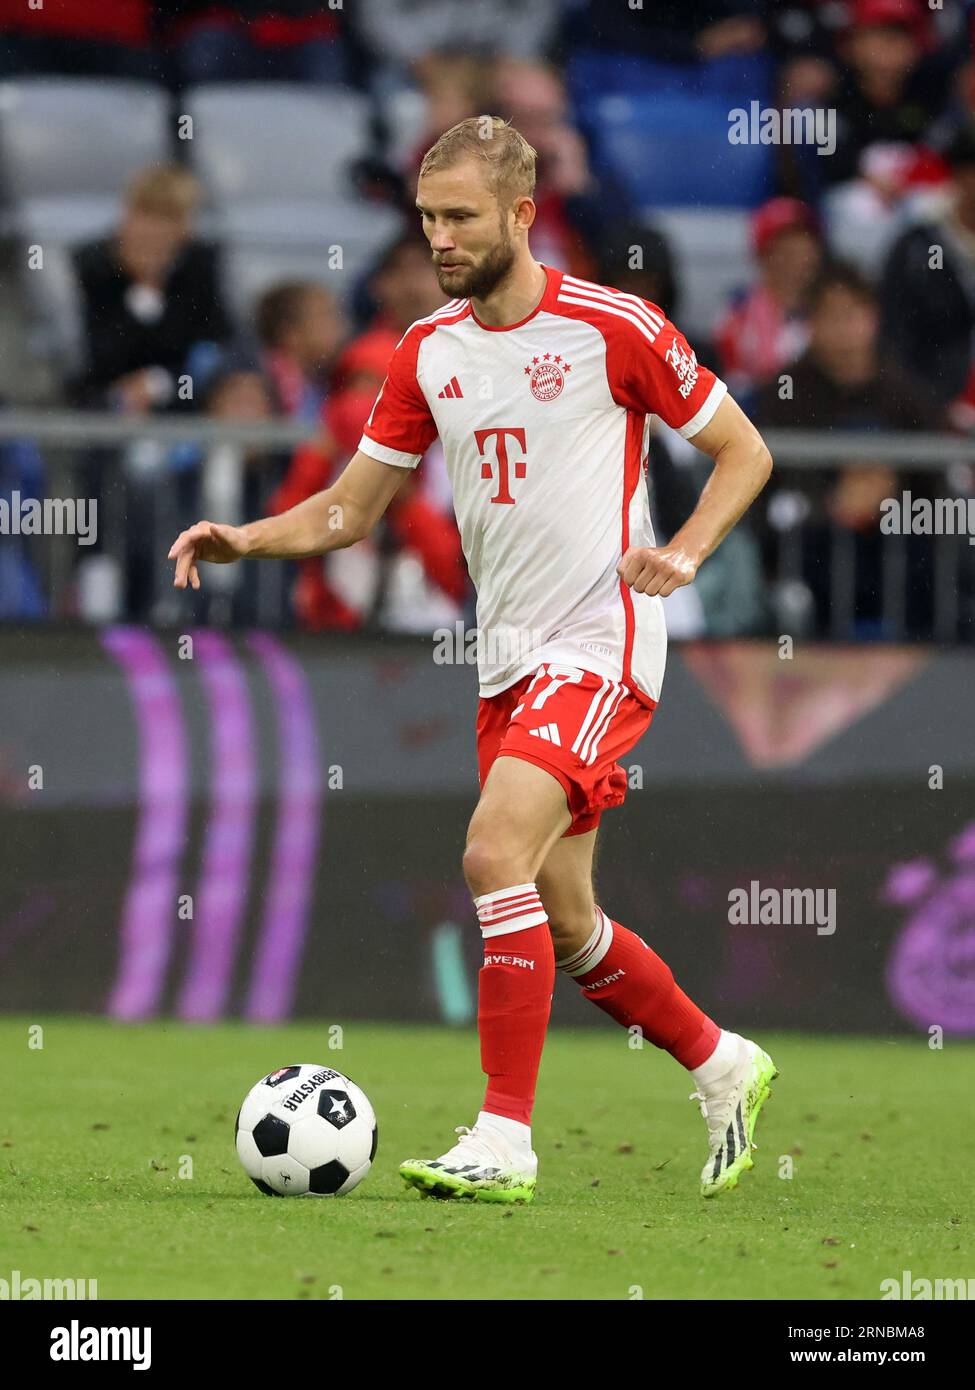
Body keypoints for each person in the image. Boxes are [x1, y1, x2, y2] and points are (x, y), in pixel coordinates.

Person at [168, 116, 777, 1204]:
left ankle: (502, 1140)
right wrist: (246, 539)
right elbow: (352, 509)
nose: (439, 238)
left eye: (459, 217)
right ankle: (721, 1060)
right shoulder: (427, 350)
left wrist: (685, 551)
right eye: (427, 218)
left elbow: (744, 449)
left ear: (522, 214)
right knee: (568, 918)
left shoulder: (613, 326)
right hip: (505, 664)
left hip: (599, 643)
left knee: (493, 855)